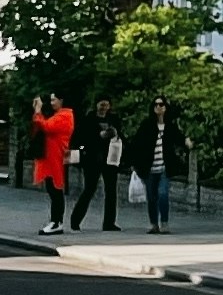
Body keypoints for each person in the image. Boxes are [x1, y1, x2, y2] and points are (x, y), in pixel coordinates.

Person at [69, 95, 125, 233]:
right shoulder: (88, 120)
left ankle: (109, 223)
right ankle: (75, 220)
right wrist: (98, 136)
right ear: (96, 105)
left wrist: (115, 134)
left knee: (111, 191)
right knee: (89, 189)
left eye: (106, 105)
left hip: (110, 159)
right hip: (92, 160)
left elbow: (120, 137)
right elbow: (79, 139)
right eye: (101, 104)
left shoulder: (113, 119)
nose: (104, 107)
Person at [28, 92, 74, 234]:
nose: (52, 103)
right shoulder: (60, 115)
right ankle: (55, 221)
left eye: (54, 100)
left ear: (61, 100)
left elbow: (47, 127)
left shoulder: (65, 115)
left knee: (56, 190)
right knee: (52, 189)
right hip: (51, 157)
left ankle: (56, 222)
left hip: (56, 157)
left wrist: (38, 111)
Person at [136, 95, 181, 234]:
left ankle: (165, 222)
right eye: (156, 105)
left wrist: (186, 142)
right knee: (151, 196)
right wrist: (135, 163)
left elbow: (179, 137)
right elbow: (137, 143)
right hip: (149, 168)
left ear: (166, 107)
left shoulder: (170, 126)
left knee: (163, 193)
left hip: (163, 168)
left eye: (161, 104)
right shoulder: (147, 125)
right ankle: (153, 224)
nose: (158, 107)